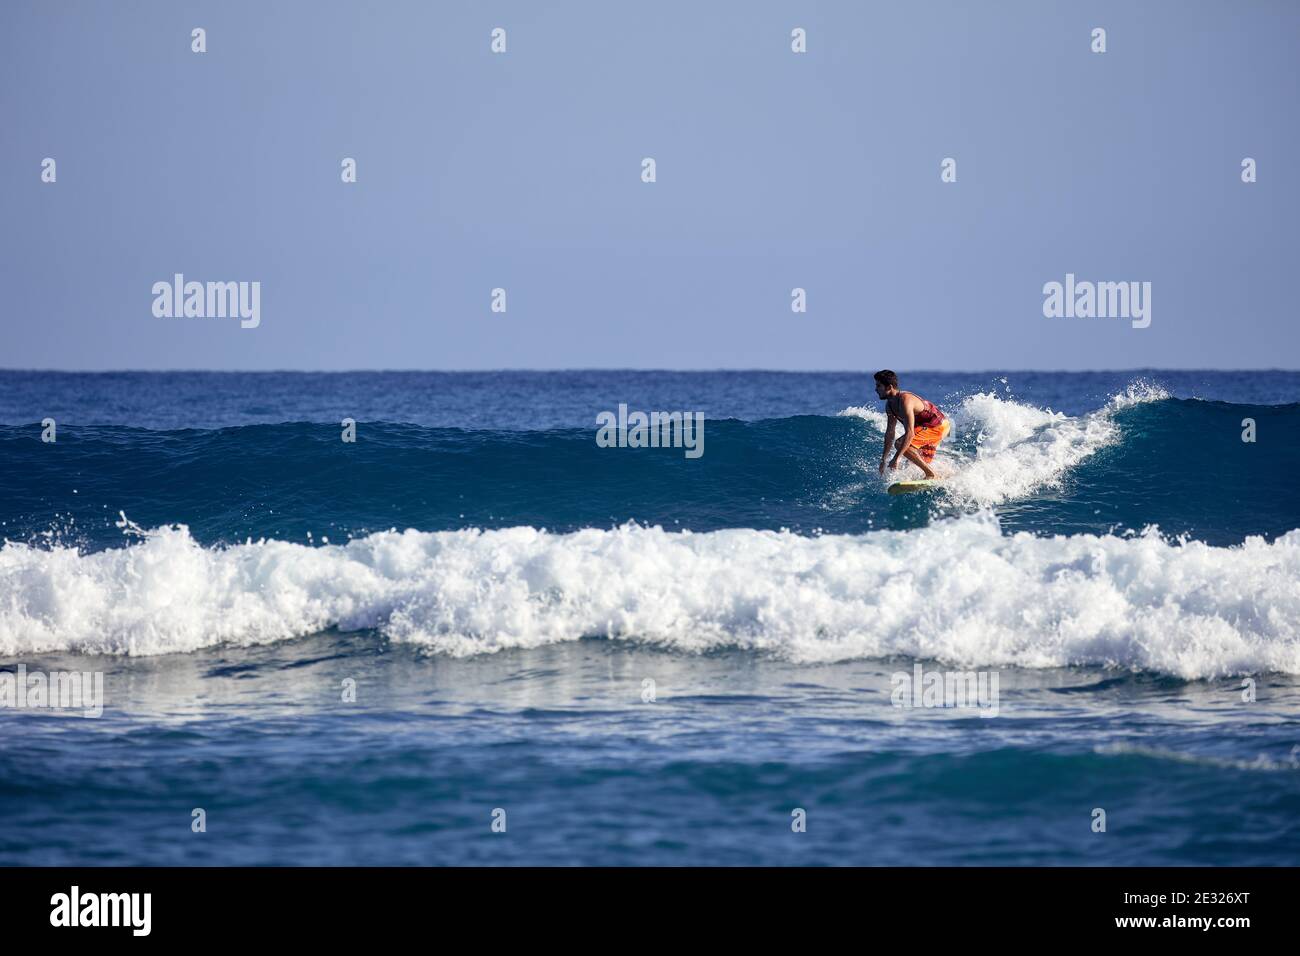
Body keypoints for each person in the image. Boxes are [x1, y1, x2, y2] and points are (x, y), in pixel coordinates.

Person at [874, 369, 950, 480]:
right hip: (927, 429)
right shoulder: (889, 406)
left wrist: (896, 458)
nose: (876, 389)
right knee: (915, 460)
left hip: (938, 426)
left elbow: (910, 433)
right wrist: (883, 460)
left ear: (889, 387)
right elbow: (890, 433)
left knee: (900, 444)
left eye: (879, 386)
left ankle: (931, 474)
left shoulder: (905, 400)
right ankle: (947, 476)